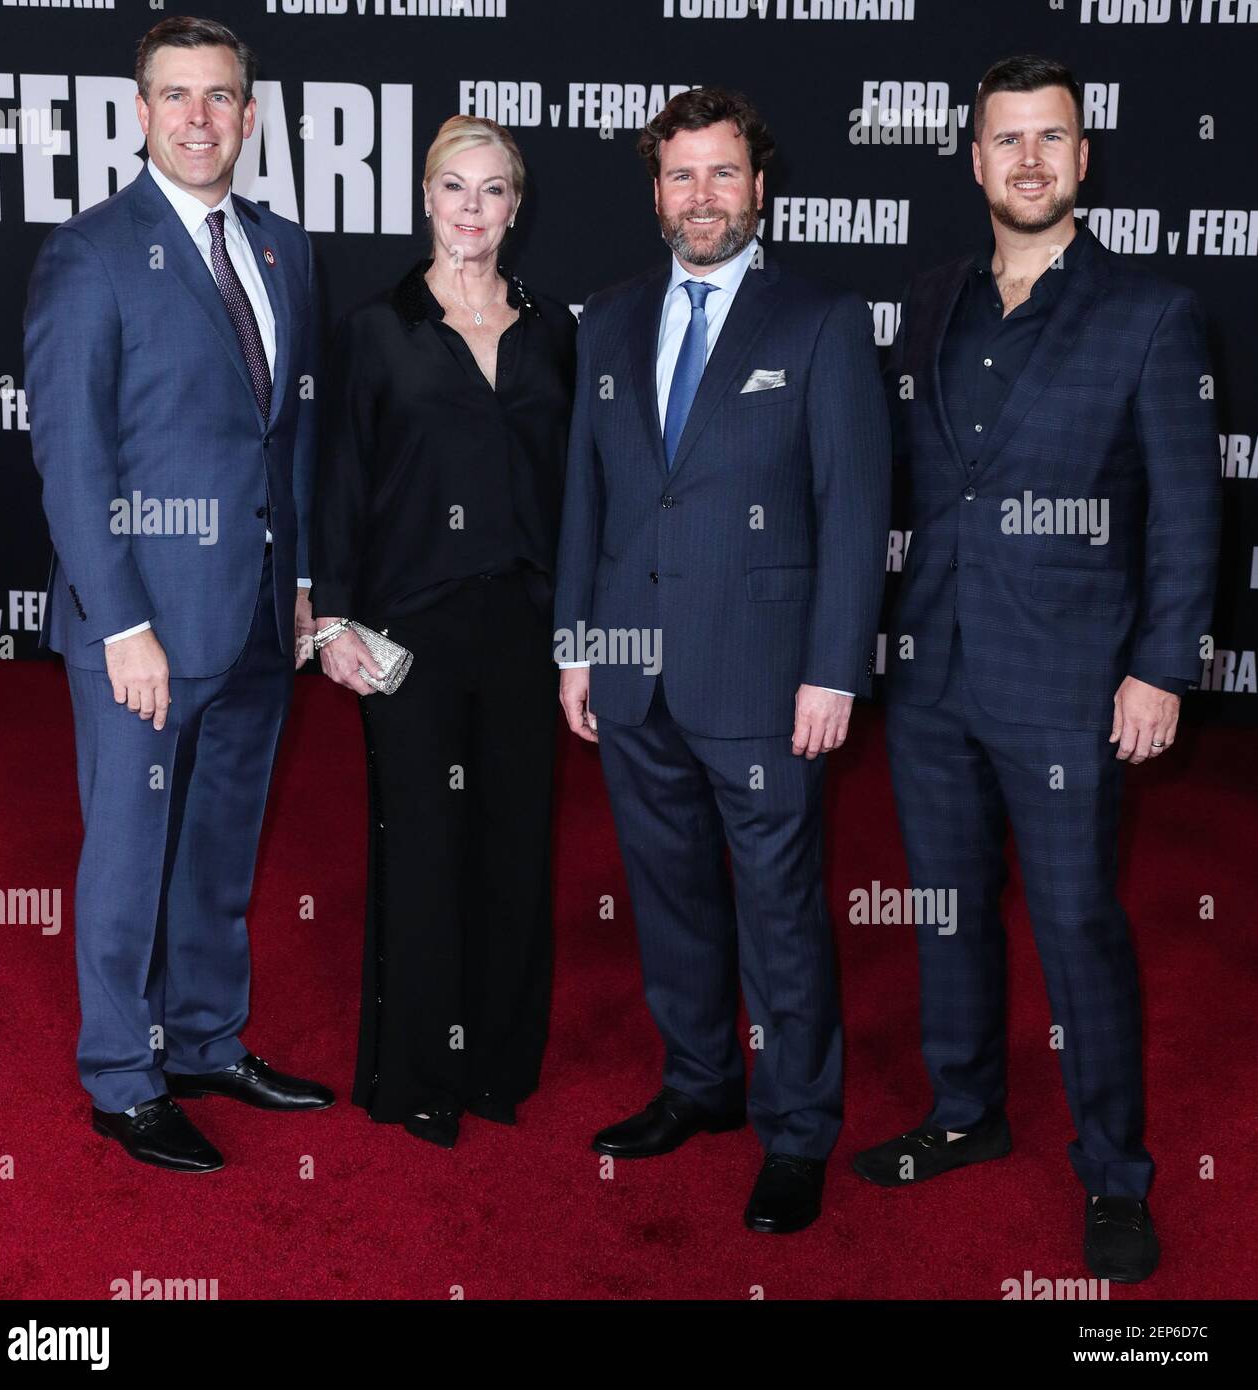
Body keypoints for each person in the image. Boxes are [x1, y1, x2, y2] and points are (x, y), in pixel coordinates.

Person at [851, 55, 1222, 1283]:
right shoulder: (930, 295)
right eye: (1004, 139)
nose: (1026, 160)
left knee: (1076, 924)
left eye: (1048, 139)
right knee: (946, 909)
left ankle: (1114, 1168)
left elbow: (1186, 509)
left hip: (1070, 680)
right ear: (972, 158)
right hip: (932, 672)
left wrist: (1161, 666)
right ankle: (966, 1111)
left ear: (1081, 156)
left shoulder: (1149, 314)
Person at [555, 88, 891, 1234]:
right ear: (656, 194)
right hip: (631, 670)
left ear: (759, 188)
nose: (701, 196)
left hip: (763, 677)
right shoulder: (605, 319)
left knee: (780, 912)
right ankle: (698, 1083)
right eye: (680, 175)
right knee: (669, 898)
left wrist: (833, 670)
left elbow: (853, 510)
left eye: (721, 174)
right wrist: (576, 647)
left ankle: (797, 1128)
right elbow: (586, 504)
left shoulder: (820, 321)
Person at [22, 16, 333, 1174]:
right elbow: (74, 458)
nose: (199, 118)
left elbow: (285, 427)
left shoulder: (285, 247)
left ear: (250, 118)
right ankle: (121, 1076)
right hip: (144, 625)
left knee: (217, 845)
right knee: (130, 853)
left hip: (254, 614)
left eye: (220, 97)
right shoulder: (92, 253)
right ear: (140, 113)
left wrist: (298, 583)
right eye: (175, 96)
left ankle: (205, 1039)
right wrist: (123, 625)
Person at [308, 115, 577, 1150]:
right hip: (407, 631)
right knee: (420, 848)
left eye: (493, 190)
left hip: (523, 625)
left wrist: (581, 630)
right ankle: (416, 1069)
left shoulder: (554, 329)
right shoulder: (377, 328)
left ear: (518, 204)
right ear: (425, 197)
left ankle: (500, 1061)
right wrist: (330, 615)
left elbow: (574, 489)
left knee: (514, 848)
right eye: (454, 188)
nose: (472, 208)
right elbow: (339, 480)